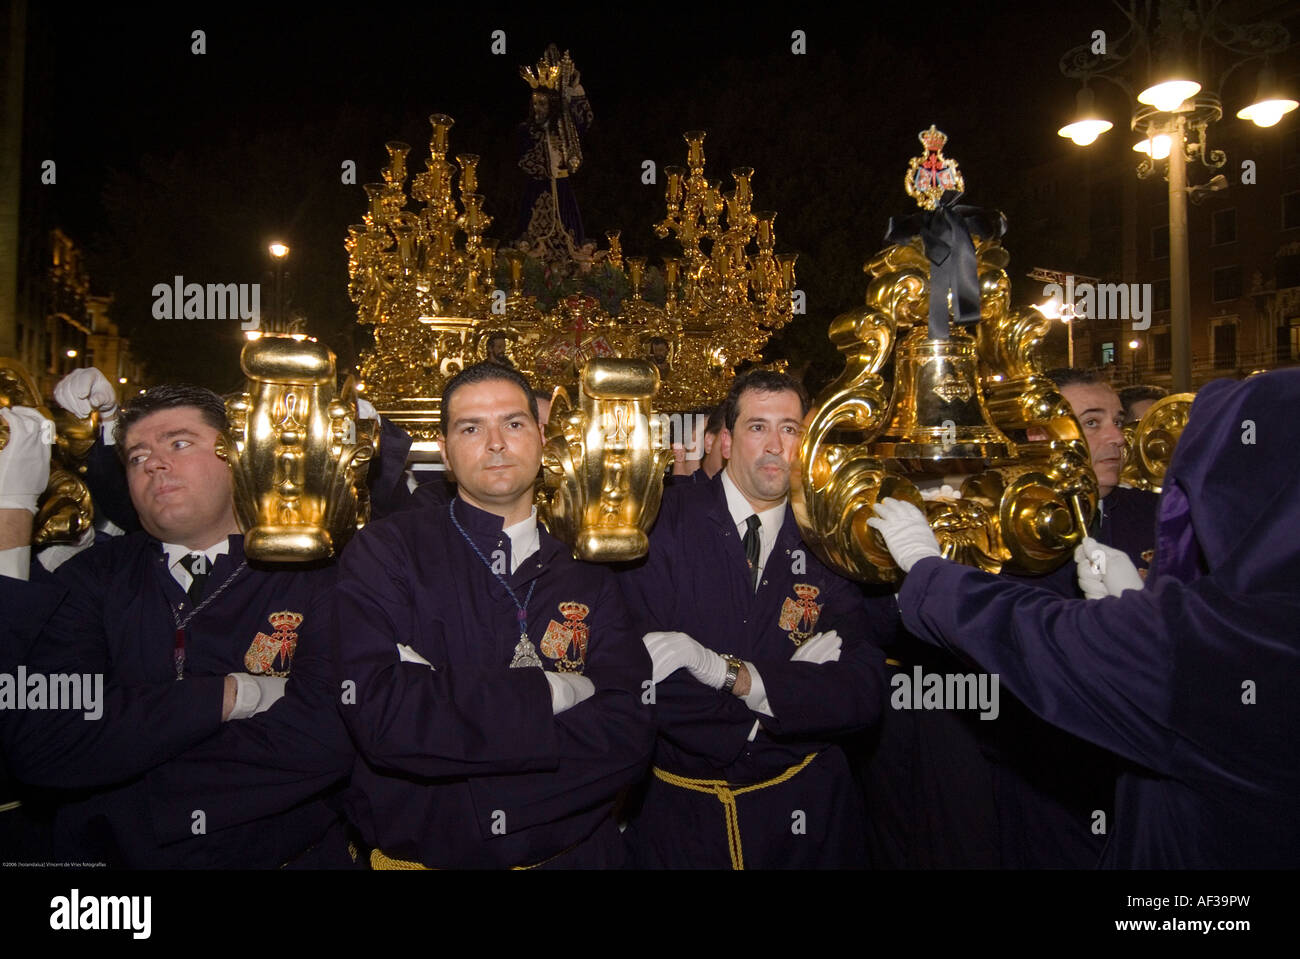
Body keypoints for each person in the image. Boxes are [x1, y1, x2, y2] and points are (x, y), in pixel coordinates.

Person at [867, 369, 1300, 867]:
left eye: (1116, 421)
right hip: (1042, 777)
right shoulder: (987, 516)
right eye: (1092, 422)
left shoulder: (1215, 623)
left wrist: (928, 573)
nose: (1117, 437)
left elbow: (1039, 634)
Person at [2, 385, 356, 867]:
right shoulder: (91, 578)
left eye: (179, 443)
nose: (153, 463)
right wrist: (232, 695)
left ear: (238, 456)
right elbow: (45, 737)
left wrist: (123, 770)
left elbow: (323, 738)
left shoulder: (316, 572)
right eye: (136, 455)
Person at [331, 362, 653, 868]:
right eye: (471, 427)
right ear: (444, 450)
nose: (496, 443)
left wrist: (449, 714)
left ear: (543, 438)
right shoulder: (386, 552)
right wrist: (554, 693)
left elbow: (630, 733)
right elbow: (381, 718)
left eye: (514, 423)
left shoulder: (588, 568)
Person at [619, 369, 891, 868]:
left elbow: (863, 691)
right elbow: (638, 674)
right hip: (684, 819)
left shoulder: (831, 536)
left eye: (790, 429)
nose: (775, 446)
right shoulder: (659, 523)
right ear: (725, 441)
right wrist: (786, 696)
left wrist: (742, 680)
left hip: (807, 818)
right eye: (757, 427)